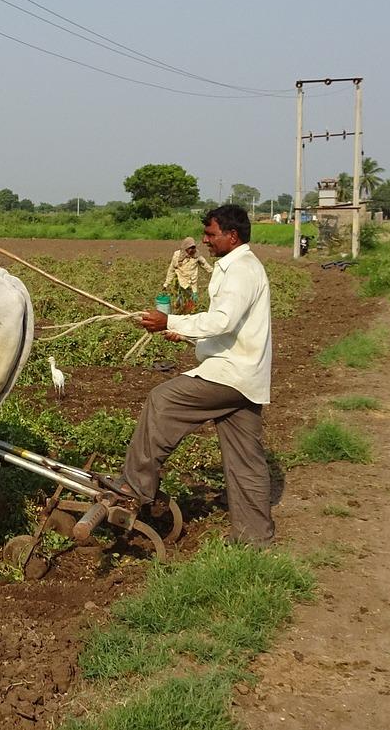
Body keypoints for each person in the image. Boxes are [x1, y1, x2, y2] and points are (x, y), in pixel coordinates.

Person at [120, 204, 275, 546]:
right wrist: (186, 332)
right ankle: (256, 540)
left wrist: (170, 321)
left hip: (230, 374)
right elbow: (227, 324)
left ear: (232, 236)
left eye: (210, 234)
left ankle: (134, 485)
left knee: (162, 402)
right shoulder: (239, 266)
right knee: (245, 462)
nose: (205, 241)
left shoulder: (241, 271)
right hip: (245, 377)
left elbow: (222, 320)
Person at [163, 236, 214, 314]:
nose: (192, 250)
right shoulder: (177, 256)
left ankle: (189, 313)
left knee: (191, 301)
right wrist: (166, 284)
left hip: (191, 282)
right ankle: (178, 311)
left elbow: (204, 264)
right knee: (179, 299)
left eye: (193, 248)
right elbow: (171, 270)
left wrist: (213, 272)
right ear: (185, 247)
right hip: (179, 281)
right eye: (190, 248)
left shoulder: (196, 255)